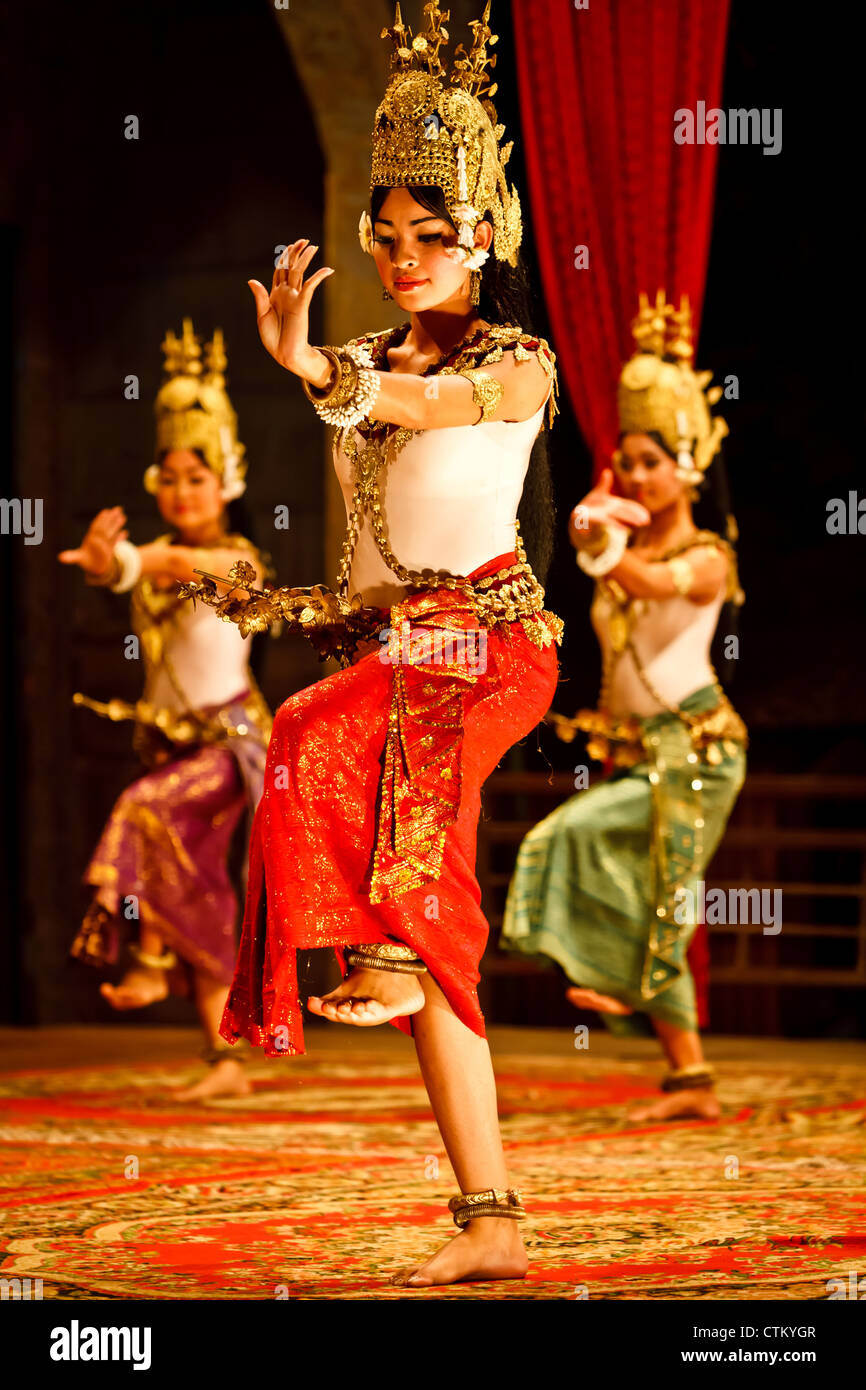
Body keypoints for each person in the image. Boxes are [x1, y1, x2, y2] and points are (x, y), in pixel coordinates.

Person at [184, 2, 564, 1287]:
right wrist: (292, 603)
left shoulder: (518, 363)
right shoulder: (361, 360)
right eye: (386, 236)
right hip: (410, 652)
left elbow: (422, 400)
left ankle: (387, 946)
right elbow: (368, 551)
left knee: (332, 728)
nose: (405, 257)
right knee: (345, 776)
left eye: (432, 234)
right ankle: (491, 1212)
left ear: (483, 233)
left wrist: (315, 372)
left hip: (494, 645)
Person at [501, 290, 748, 1122]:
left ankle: (618, 987)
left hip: (703, 750)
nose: (638, 475)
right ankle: (689, 1079)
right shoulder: (621, 543)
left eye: (653, 461)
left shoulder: (709, 556)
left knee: (649, 882)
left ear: (690, 466)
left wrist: (598, 540)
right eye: (628, 461)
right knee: (603, 864)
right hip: (648, 752)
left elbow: (644, 580)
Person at [58, 318, 274, 1101]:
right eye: (172, 476)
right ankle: (227, 1060)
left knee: (142, 814)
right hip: (174, 748)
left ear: (231, 479)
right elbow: (137, 572)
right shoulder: (150, 566)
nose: (184, 492)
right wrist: (109, 566)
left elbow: (186, 564)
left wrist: (124, 560)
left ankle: (149, 963)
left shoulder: (241, 563)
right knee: (194, 886)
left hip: (234, 750)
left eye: (199, 476)